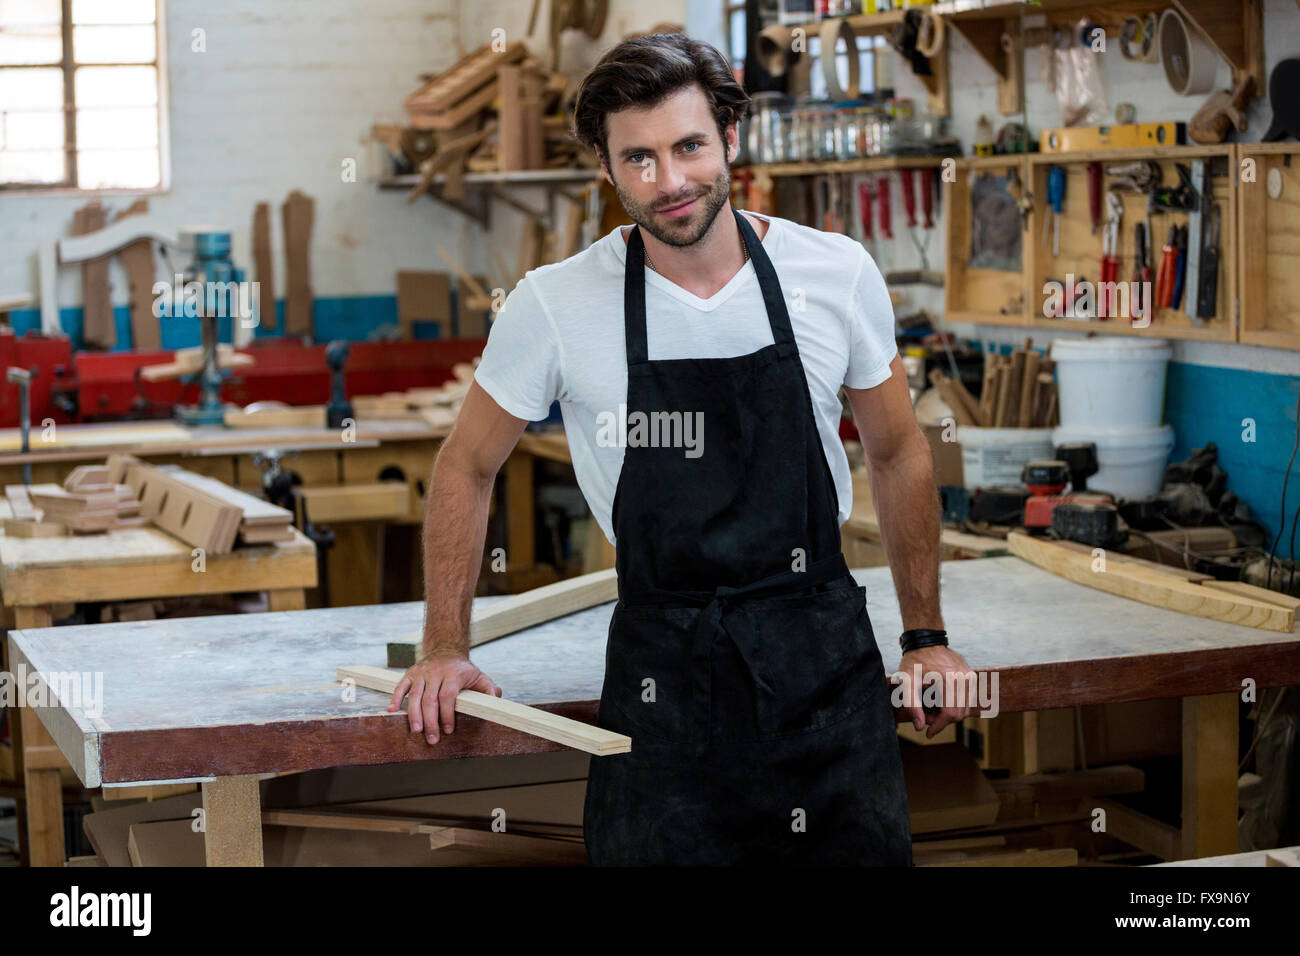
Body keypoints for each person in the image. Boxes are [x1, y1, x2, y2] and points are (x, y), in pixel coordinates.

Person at [389, 32, 976, 865]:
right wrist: (445, 647)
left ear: (730, 140)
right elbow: (466, 464)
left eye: (689, 147)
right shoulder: (555, 304)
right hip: (664, 679)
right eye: (639, 159)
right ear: (605, 165)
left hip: (821, 667)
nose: (669, 182)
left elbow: (899, 451)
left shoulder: (834, 272)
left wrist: (925, 637)